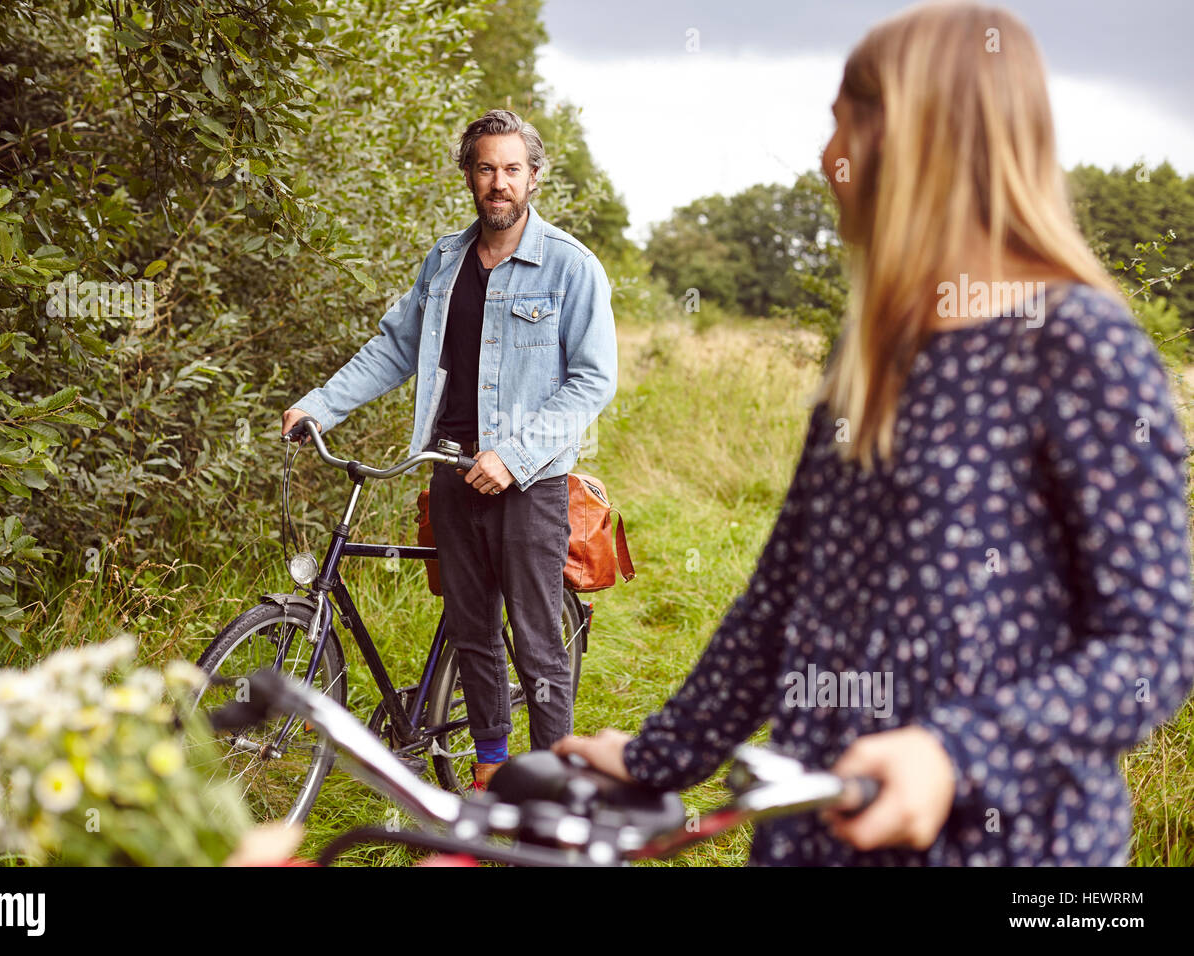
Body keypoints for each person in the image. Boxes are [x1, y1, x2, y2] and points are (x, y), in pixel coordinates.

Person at [555, 1, 1194, 865]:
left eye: (840, 124)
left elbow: (1151, 645)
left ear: (911, 135)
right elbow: (777, 601)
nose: (825, 159)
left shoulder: (1078, 345)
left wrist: (953, 750)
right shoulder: (872, 357)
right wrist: (657, 759)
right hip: (815, 837)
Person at [283, 109, 618, 791]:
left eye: (513, 169)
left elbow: (592, 381)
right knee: (471, 634)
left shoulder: (570, 267)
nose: (500, 183)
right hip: (449, 471)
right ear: (469, 174)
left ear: (534, 176)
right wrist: (320, 404)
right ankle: (490, 768)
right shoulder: (445, 259)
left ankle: (554, 794)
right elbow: (395, 349)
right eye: (487, 168)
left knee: (534, 645)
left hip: (528, 485)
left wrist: (515, 457)